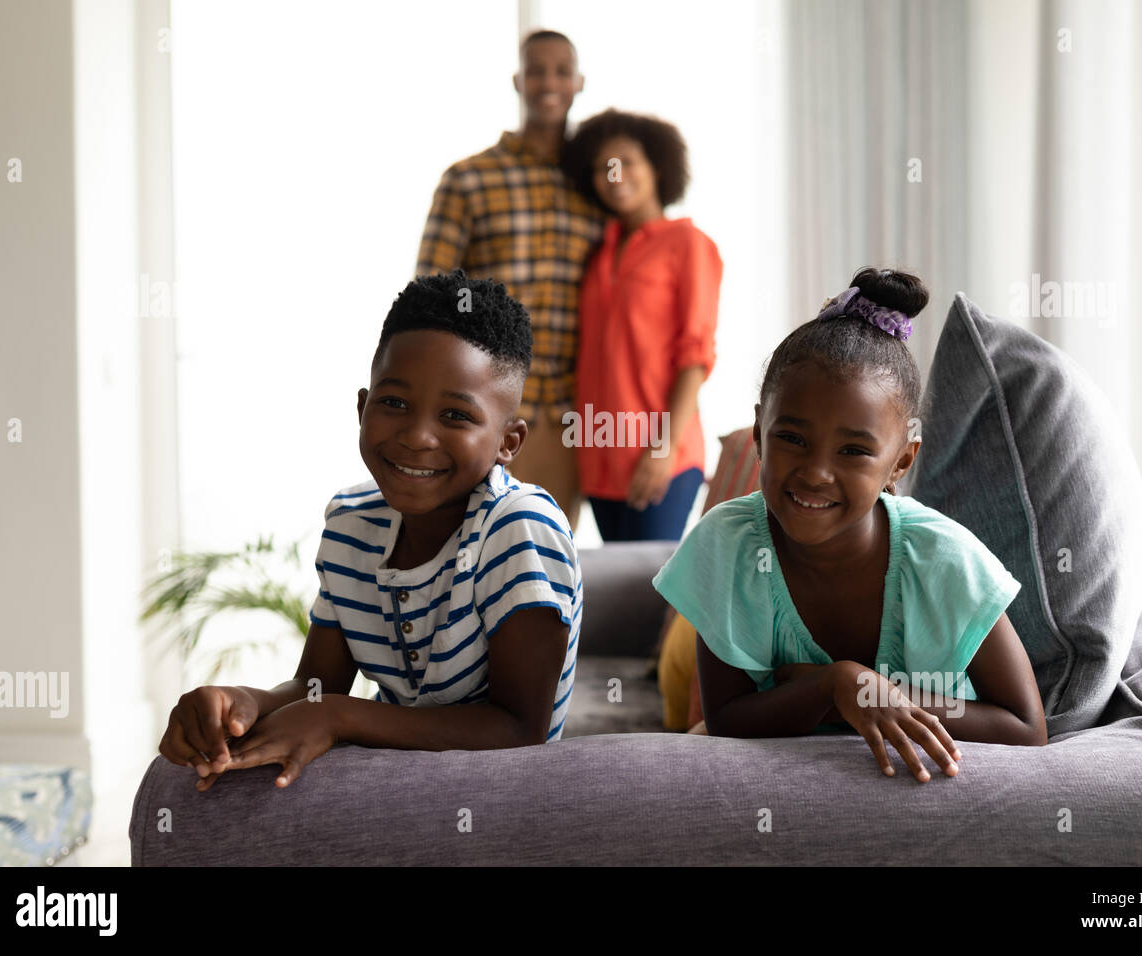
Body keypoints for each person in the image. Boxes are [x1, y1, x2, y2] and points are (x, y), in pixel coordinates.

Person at [159, 272, 583, 789]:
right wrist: (243, 704)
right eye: (395, 404)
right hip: (392, 784)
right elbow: (315, 687)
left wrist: (341, 717)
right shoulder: (350, 523)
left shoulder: (518, 530)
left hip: (500, 798)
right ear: (363, 407)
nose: (417, 436)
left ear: (508, 442)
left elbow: (519, 730)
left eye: (455, 414)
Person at [651, 268, 1048, 781]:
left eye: (855, 451)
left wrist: (870, 695)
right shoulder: (728, 545)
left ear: (901, 462)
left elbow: (1025, 727)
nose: (816, 473)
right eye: (792, 438)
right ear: (759, 432)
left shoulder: (944, 560)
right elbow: (725, 718)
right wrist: (834, 684)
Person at [416, 29, 606, 530]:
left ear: (578, 82)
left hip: (568, 417)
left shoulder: (599, 188)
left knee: (545, 563)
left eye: (561, 70)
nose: (548, 81)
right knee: (464, 553)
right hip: (483, 405)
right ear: (518, 80)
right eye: (537, 70)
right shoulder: (469, 178)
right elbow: (432, 292)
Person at [560, 108, 722, 541]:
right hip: (599, 460)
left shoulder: (688, 244)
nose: (614, 175)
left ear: (657, 167)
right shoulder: (596, 254)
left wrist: (662, 448)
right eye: (601, 167)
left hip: (661, 454)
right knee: (621, 593)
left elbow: (696, 356)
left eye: (627, 162)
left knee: (653, 597)